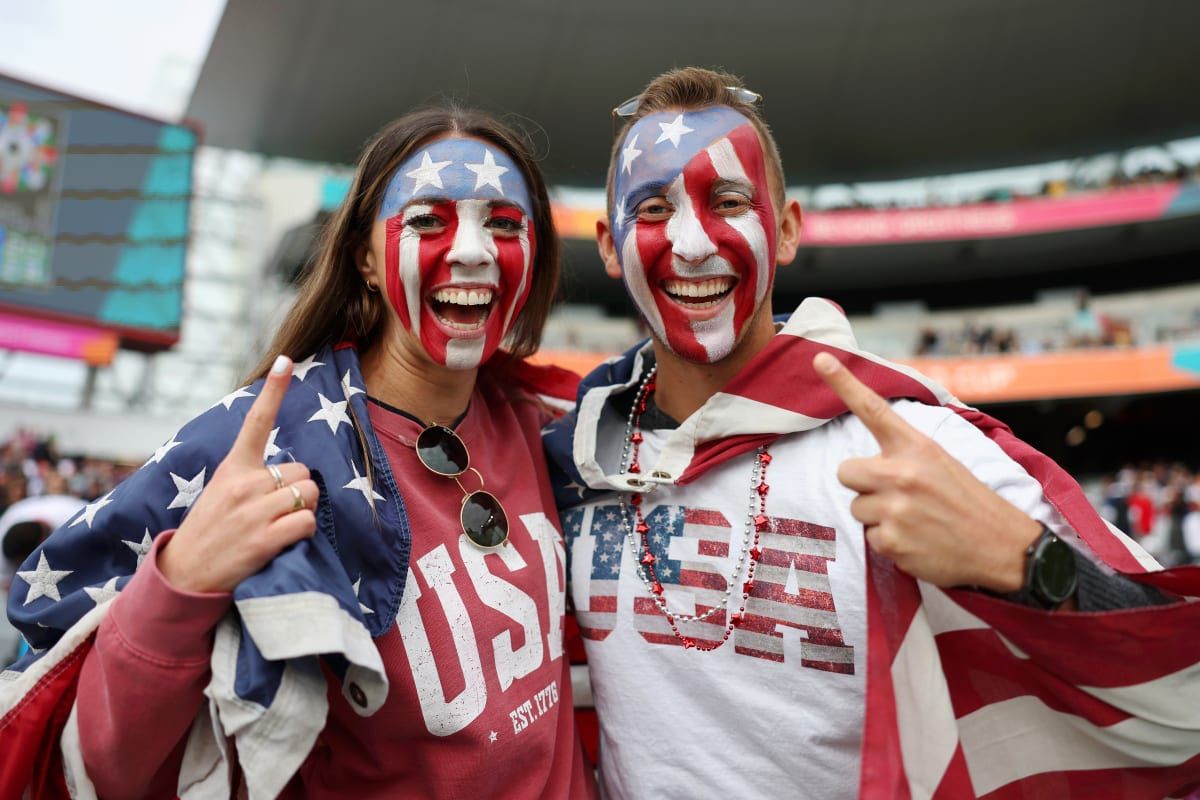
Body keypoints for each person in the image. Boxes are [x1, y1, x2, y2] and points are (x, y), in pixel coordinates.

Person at [543, 68, 1200, 798]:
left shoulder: (903, 441)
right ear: (609, 245)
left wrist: (1030, 564)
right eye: (655, 208)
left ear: (786, 228)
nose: (692, 243)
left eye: (728, 201)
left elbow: (1184, 682)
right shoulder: (574, 457)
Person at [2, 107, 594, 799]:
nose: (474, 251)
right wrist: (182, 579)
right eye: (429, 220)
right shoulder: (255, 449)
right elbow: (105, 768)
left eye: (504, 223)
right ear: (364, 258)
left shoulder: (553, 426)